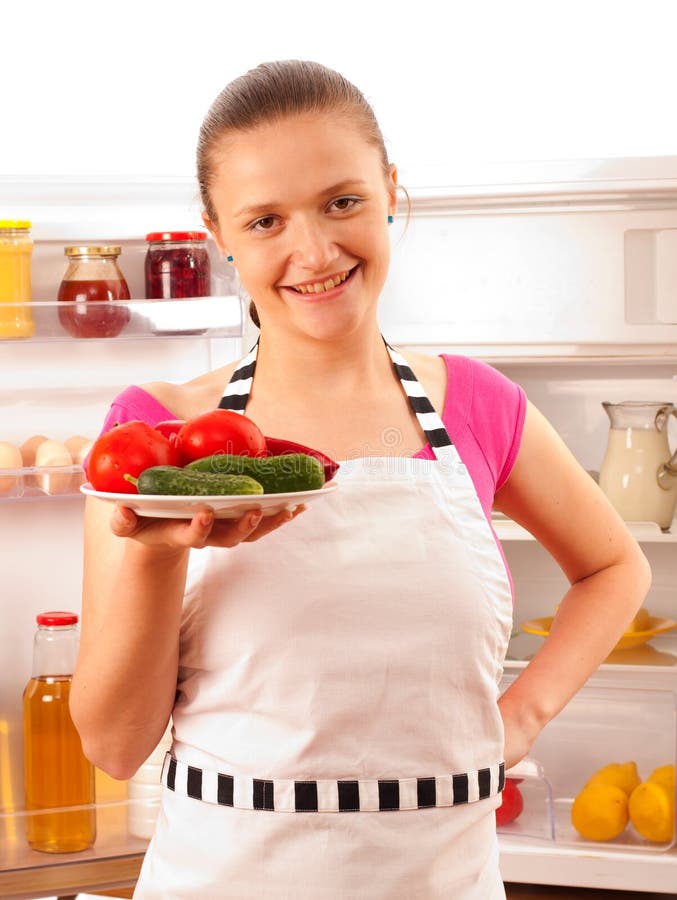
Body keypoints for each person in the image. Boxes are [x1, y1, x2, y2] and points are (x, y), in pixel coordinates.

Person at [70, 60, 651, 899]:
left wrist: (521, 716)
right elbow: (115, 748)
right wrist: (158, 555)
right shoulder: (158, 440)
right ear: (218, 234)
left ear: (389, 192)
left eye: (341, 201)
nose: (314, 252)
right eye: (265, 220)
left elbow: (613, 566)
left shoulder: (477, 405)